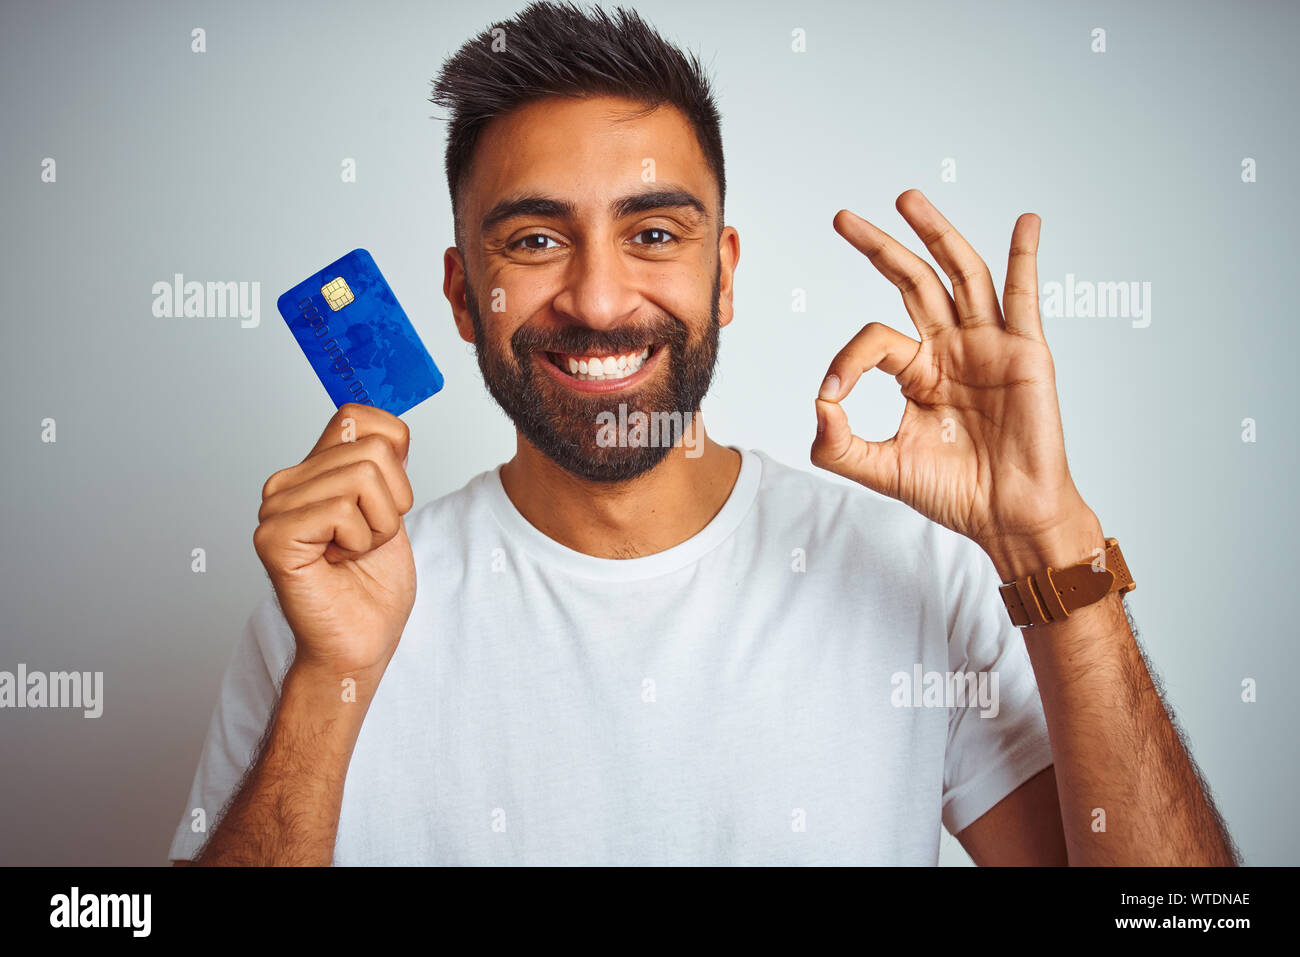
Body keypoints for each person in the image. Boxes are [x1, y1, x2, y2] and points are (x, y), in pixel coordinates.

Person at [170, 0, 1237, 866]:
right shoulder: (335, 608)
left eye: (652, 233)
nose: (596, 298)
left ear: (722, 274)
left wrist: (1052, 549)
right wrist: (329, 681)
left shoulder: (913, 577)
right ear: (463, 294)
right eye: (536, 238)